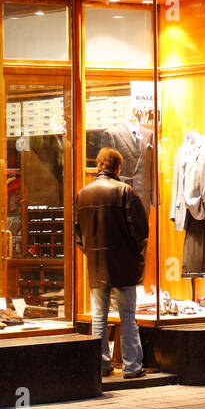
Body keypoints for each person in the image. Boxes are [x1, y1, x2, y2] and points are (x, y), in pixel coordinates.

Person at [74, 147, 150, 379]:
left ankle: (101, 365)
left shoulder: (82, 194)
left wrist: (92, 253)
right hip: (124, 264)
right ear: (117, 167)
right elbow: (140, 229)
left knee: (99, 316)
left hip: (97, 264)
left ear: (99, 165)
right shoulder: (125, 191)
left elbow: (78, 234)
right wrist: (136, 254)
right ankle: (131, 367)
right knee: (127, 316)